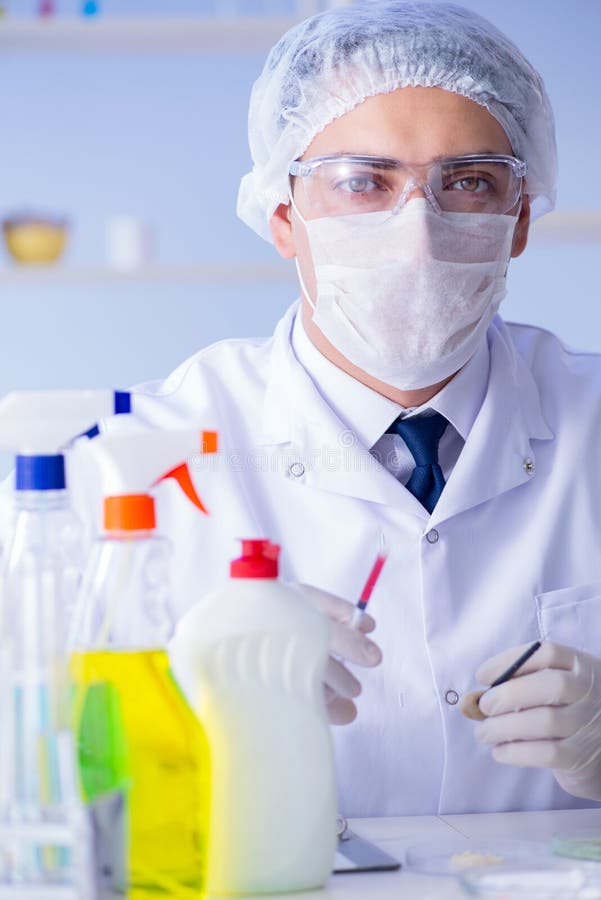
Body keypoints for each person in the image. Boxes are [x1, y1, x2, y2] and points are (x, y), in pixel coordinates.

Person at [95, 0, 601, 817]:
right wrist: (184, 705)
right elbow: (44, 780)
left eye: (467, 182)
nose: (417, 229)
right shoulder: (140, 459)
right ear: (284, 219)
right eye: (363, 182)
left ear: (518, 221)